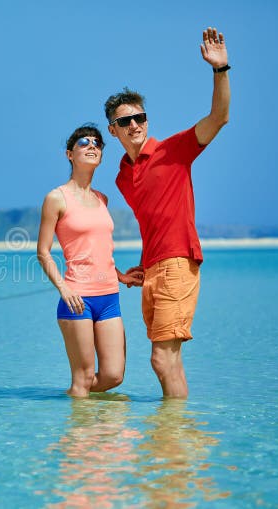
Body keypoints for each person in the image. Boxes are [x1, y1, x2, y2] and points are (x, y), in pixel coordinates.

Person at [105, 27, 231, 398]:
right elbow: (154, 221)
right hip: (153, 270)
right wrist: (142, 269)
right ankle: (179, 442)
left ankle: (174, 436)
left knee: (161, 359)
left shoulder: (174, 150)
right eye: (125, 122)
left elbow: (219, 117)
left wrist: (220, 70)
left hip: (179, 263)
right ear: (113, 131)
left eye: (140, 118)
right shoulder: (122, 178)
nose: (135, 125)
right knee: (169, 360)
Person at [37, 123, 143, 398]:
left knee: (113, 375)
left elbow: (97, 249)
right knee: (83, 377)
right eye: (84, 142)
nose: (92, 145)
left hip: (109, 296)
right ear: (69, 154)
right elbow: (43, 251)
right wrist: (64, 288)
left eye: (97, 142)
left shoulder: (102, 199)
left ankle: (80, 406)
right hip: (77, 298)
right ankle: (79, 439)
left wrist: (120, 276)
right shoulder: (56, 198)